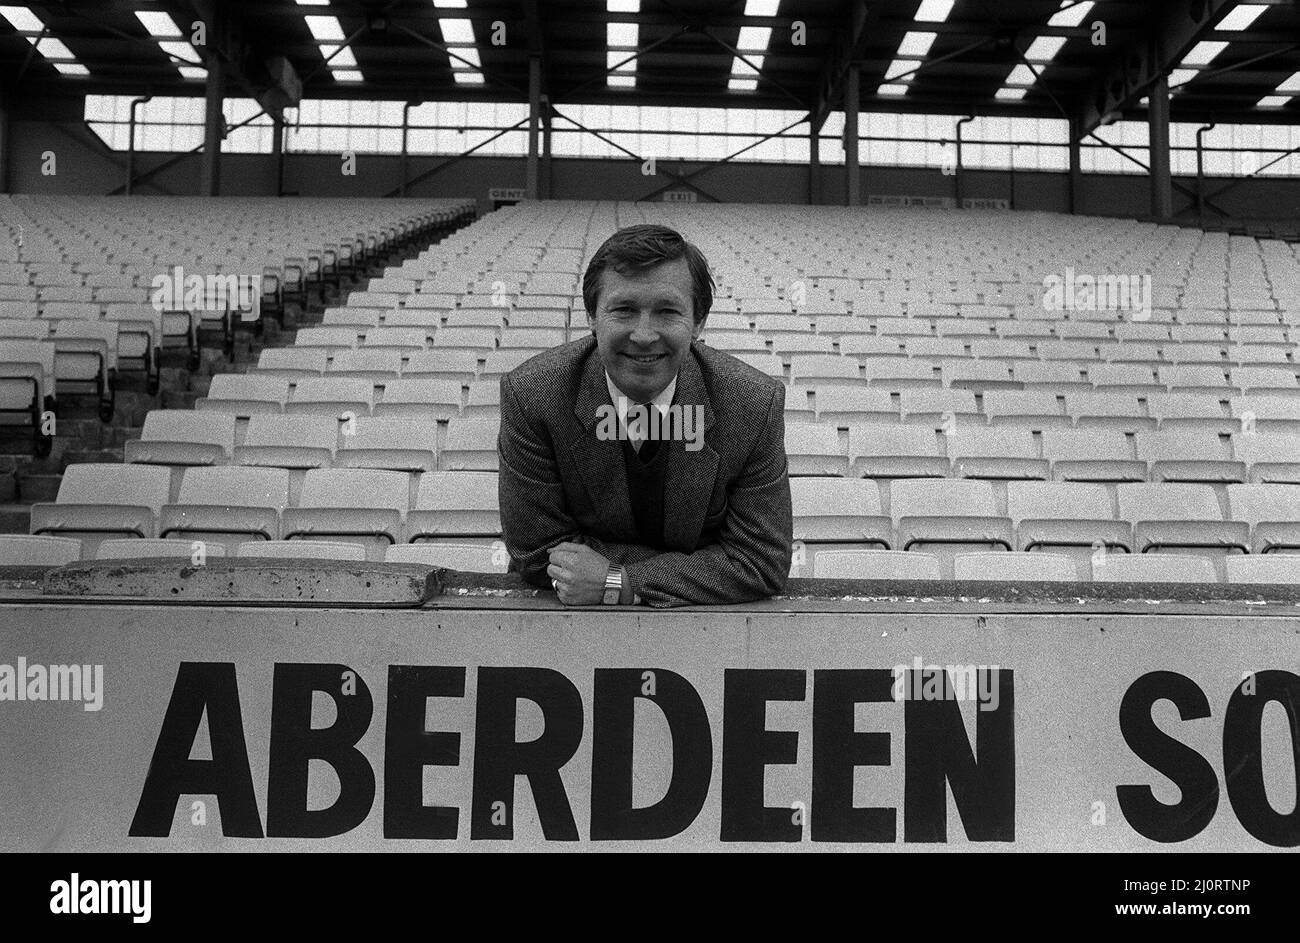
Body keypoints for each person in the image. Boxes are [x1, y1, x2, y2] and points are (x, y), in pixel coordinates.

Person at [497, 223, 792, 608]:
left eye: (667, 311)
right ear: (591, 316)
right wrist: (704, 567)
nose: (643, 334)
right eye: (624, 310)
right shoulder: (533, 396)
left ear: (698, 323)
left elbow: (761, 561)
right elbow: (536, 551)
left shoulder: (753, 405)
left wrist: (622, 581)